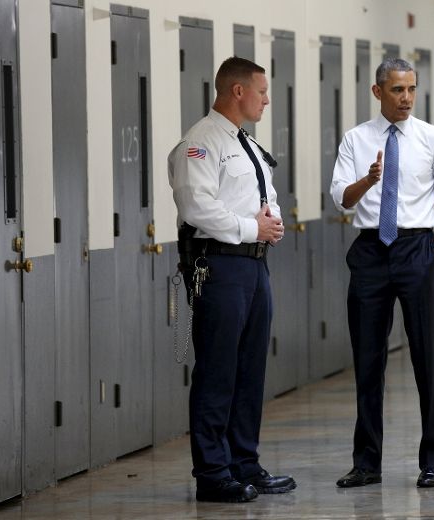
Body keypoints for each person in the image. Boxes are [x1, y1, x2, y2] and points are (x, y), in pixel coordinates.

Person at [168, 57, 296, 503]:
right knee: (218, 370)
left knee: (249, 370)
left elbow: (267, 195)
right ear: (237, 91)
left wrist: (270, 223)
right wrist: (250, 228)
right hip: (218, 266)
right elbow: (196, 207)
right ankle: (212, 472)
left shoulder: (245, 143)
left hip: (253, 265)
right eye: (261, 91)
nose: (266, 99)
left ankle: (245, 462)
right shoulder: (200, 143)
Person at [330, 58, 434, 489]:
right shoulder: (356, 139)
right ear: (377, 92)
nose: (405, 98)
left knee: (427, 357)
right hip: (370, 251)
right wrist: (369, 180)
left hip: (417, 248)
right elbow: (341, 199)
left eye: (410, 89)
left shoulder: (431, 138)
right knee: (368, 360)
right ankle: (367, 462)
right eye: (396, 90)